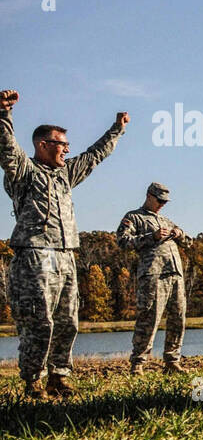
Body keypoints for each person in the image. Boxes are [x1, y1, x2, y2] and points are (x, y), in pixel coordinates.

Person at [1, 89, 128, 399]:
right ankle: (33, 381)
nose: (66, 151)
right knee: (39, 320)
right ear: (44, 145)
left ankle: (60, 375)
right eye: (62, 145)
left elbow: (95, 155)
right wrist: (4, 114)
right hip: (35, 254)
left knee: (67, 320)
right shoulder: (25, 172)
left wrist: (116, 130)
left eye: (67, 145)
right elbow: (7, 150)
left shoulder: (65, 175)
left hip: (66, 254)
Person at [117, 182, 190, 375]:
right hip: (153, 275)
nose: (162, 204)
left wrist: (179, 234)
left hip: (175, 273)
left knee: (178, 318)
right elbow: (123, 241)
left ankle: (172, 361)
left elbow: (189, 241)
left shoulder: (166, 220)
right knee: (149, 319)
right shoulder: (134, 217)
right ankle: (138, 363)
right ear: (149, 196)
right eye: (159, 200)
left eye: (165, 202)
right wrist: (152, 237)